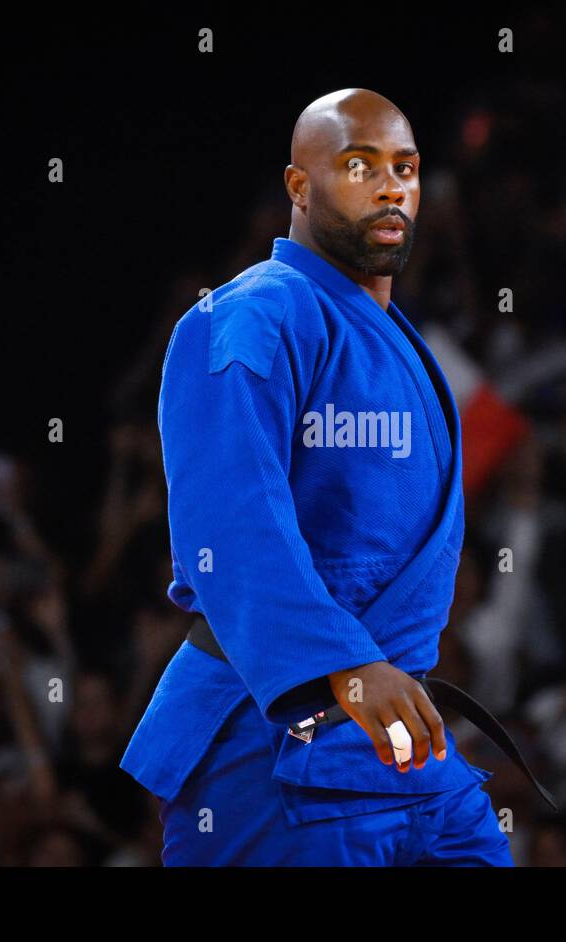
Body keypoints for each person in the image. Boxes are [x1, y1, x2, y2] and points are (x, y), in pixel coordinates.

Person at [119, 88, 512, 865]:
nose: (391, 187)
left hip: (399, 733)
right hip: (276, 733)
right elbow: (232, 526)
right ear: (299, 186)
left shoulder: (401, 338)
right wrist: (345, 665)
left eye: (405, 168)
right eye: (360, 166)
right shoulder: (250, 317)